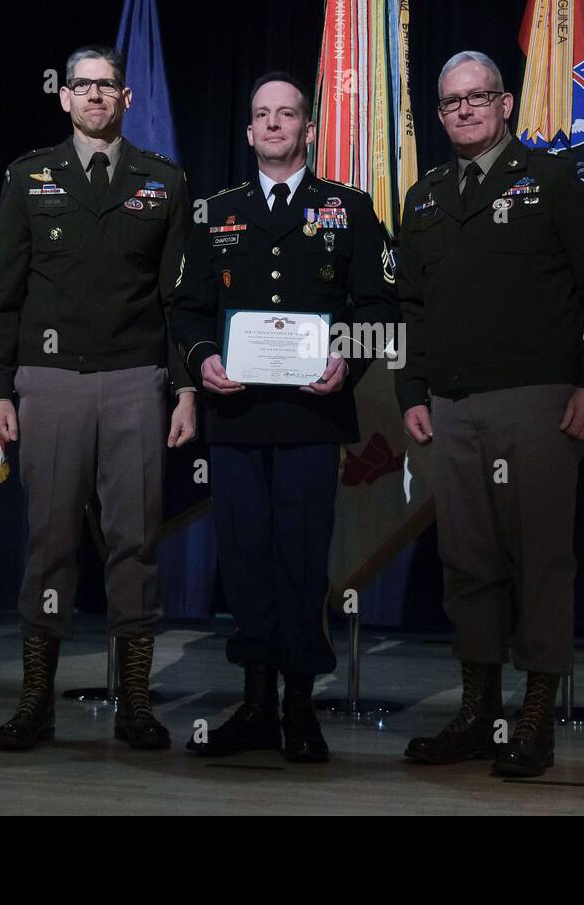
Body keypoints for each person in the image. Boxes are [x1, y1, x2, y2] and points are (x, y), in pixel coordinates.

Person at [395, 51, 584, 777]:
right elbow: (408, 307)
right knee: (466, 565)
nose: (465, 110)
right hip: (451, 407)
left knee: (538, 562)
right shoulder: (425, 196)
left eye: (479, 97)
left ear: (505, 105)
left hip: (538, 405)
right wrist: (409, 391)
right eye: (451, 102)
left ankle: (534, 719)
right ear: (438, 116)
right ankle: (477, 714)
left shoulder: (555, 179)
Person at [171, 72, 398, 763]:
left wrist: (347, 361)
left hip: (310, 418)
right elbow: (185, 308)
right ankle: (256, 703)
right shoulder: (216, 211)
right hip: (236, 420)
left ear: (309, 129)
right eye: (262, 115)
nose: (273, 124)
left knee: (300, 561)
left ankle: (300, 706)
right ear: (249, 132)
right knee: (244, 560)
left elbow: (382, 307)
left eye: (287, 114)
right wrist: (204, 358)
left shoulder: (349, 209)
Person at [0, 45, 197, 751]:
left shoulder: (162, 183)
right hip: (49, 382)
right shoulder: (27, 176)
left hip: (137, 381)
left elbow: (179, 302)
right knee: (49, 542)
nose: (97, 96)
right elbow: (3, 297)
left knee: (135, 543)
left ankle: (134, 702)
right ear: (64, 97)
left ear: (126, 100)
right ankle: (35, 701)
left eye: (109, 86)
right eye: (84, 86)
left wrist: (186, 388)